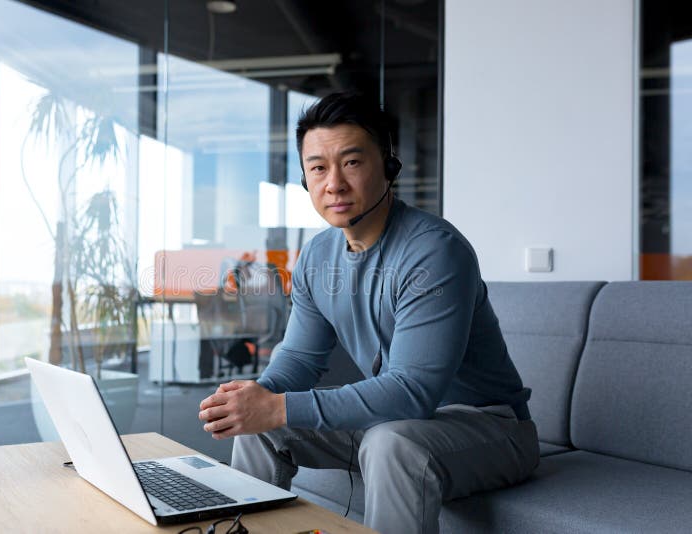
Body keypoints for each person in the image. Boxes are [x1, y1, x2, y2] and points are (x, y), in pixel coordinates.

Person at [198, 92, 539, 533]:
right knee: (260, 427)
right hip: (396, 423)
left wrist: (279, 407)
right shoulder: (318, 256)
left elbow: (411, 392)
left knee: (391, 443)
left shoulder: (434, 252)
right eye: (318, 168)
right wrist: (254, 399)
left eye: (352, 163)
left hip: (490, 428)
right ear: (305, 180)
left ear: (388, 167)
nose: (334, 183)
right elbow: (300, 359)